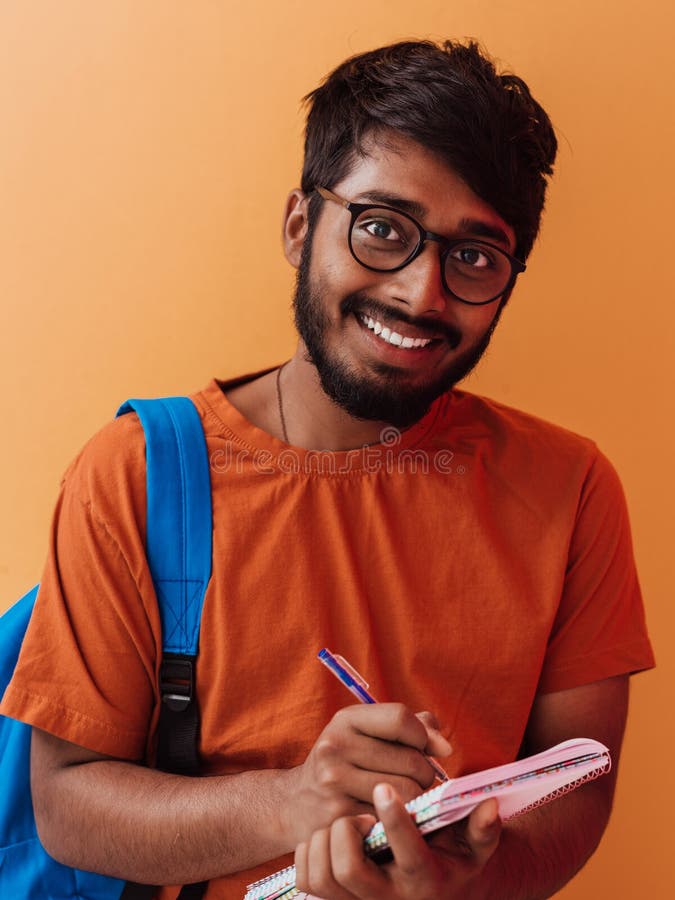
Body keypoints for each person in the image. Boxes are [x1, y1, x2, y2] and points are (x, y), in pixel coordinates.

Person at [1, 39, 654, 899]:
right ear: (301, 227)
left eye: (473, 256)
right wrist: (292, 804)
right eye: (382, 228)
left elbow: (581, 781)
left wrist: (458, 881)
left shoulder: (570, 487)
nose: (423, 293)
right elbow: (69, 803)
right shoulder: (135, 474)